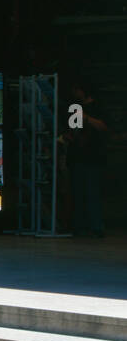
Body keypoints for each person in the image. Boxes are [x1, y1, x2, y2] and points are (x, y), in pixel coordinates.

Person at [65, 86, 108, 238]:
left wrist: (86, 119)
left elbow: (103, 127)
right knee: (80, 193)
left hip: (92, 157)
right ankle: (80, 225)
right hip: (79, 157)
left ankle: (94, 226)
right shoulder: (75, 107)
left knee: (91, 192)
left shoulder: (96, 107)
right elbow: (73, 131)